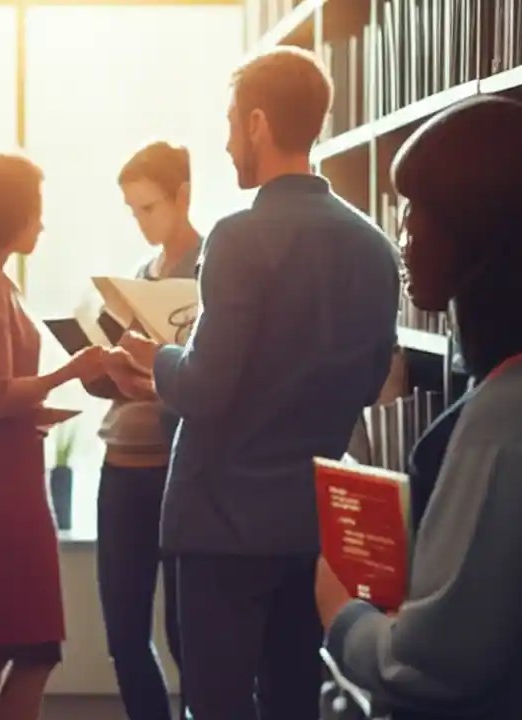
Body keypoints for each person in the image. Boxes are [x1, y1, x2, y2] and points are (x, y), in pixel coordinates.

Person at [316, 96, 522, 720]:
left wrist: (340, 614)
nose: (402, 236)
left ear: (481, 230)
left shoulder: (514, 416)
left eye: (418, 213)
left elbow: (435, 664)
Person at [111, 47, 400, 719]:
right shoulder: (372, 244)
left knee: (216, 705)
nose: (227, 141)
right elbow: (368, 378)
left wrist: (155, 358)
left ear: (260, 125)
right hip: (314, 519)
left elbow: (206, 387)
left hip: (223, 520)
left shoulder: (241, 236)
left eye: (233, 122)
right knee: (294, 700)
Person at [0, 153, 105, 720]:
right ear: (7, 214)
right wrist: (70, 372)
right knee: (33, 649)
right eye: (34, 211)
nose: (41, 224)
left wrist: (37, 412)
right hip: (0, 490)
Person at [88, 141, 198, 720]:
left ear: (183, 195)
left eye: (148, 208)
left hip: (177, 467)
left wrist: (158, 374)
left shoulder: (213, 268)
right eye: (131, 210)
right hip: (120, 466)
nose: (140, 221)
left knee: (189, 636)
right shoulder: (138, 275)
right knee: (124, 633)